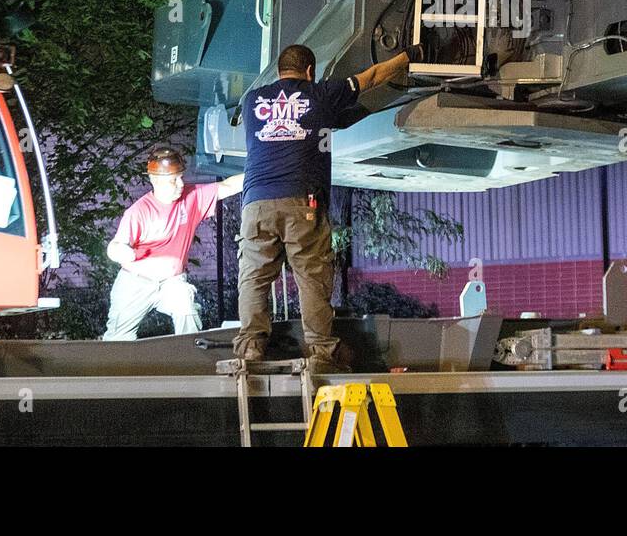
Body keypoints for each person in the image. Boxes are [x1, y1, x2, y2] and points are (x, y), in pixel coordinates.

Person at [232, 42, 418, 372]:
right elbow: (372, 76)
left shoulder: (251, 101)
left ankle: (250, 348)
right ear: (309, 72)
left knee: (254, 276)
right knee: (311, 275)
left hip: (255, 203)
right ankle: (320, 352)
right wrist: (411, 56)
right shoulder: (320, 94)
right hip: (301, 200)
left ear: (279, 72)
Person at [101, 147, 243, 340]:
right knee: (117, 338)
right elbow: (115, 246)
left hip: (172, 282)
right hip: (135, 282)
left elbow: (226, 187)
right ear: (155, 180)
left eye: (181, 177)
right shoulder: (139, 212)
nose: (180, 184)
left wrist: (262, 170)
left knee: (185, 303)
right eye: (173, 180)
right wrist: (121, 252)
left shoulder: (191, 197)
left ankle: (192, 359)